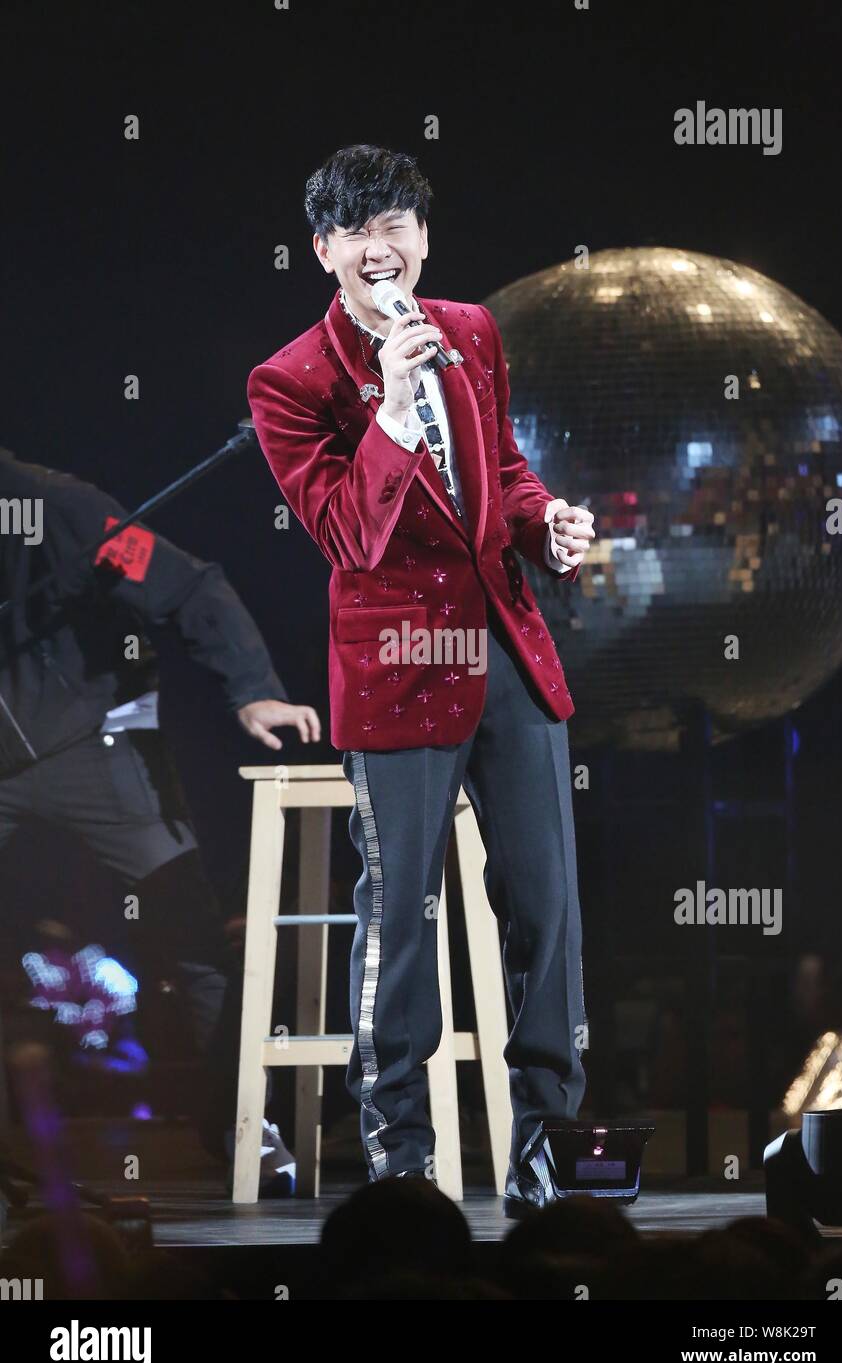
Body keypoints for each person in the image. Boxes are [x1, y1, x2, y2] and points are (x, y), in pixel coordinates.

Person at [247, 144, 595, 1214]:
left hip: (503, 643)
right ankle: (403, 1159)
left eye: (394, 222)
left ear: (422, 238)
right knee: (402, 917)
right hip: (399, 665)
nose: (378, 245)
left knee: (543, 905)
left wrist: (547, 522)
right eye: (355, 230)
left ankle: (549, 1148)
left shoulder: (474, 332)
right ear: (323, 253)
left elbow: (498, 470)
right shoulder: (291, 381)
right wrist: (392, 406)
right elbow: (347, 533)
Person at [0, 446, 321, 1190]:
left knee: (194, 930)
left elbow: (185, 585)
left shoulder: (57, 504)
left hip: (93, 739)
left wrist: (252, 687)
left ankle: (244, 1125)